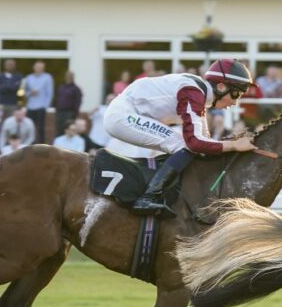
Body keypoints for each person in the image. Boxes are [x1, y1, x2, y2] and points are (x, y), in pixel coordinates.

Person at [103, 58, 256, 217]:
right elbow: (195, 143)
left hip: (127, 111)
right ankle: (148, 196)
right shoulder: (193, 92)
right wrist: (234, 145)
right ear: (221, 87)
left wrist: (230, 146)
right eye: (236, 93)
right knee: (184, 145)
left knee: (185, 145)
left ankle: (161, 191)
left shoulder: (199, 93)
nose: (235, 102)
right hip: (123, 115)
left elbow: (205, 142)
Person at [23, 60, 54, 143]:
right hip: (30, 106)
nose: (39, 69)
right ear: (34, 68)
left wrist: (46, 106)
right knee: (29, 127)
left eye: (41, 67)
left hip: (41, 107)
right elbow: (24, 92)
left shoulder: (47, 77)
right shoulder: (29, 77)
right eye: (37, 67)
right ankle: (29, 146)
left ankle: (41, 146)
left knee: (41, 128)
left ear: (43, 68)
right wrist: (30, 93)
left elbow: (50, 92)